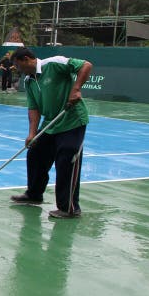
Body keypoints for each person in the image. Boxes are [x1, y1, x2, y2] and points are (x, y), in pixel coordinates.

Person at [9, 48, 92, 219]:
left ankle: (69, 208)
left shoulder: (54, 63)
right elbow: (34, 108)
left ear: (26, 59)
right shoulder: (28, 81)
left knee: (66, 161)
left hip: (72, 121)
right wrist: (32, 134)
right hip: (50, 124)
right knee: (35, 154)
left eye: (18, 66)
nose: (18, 70)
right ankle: (34, 194)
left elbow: (86, 65)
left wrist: (76, 88)